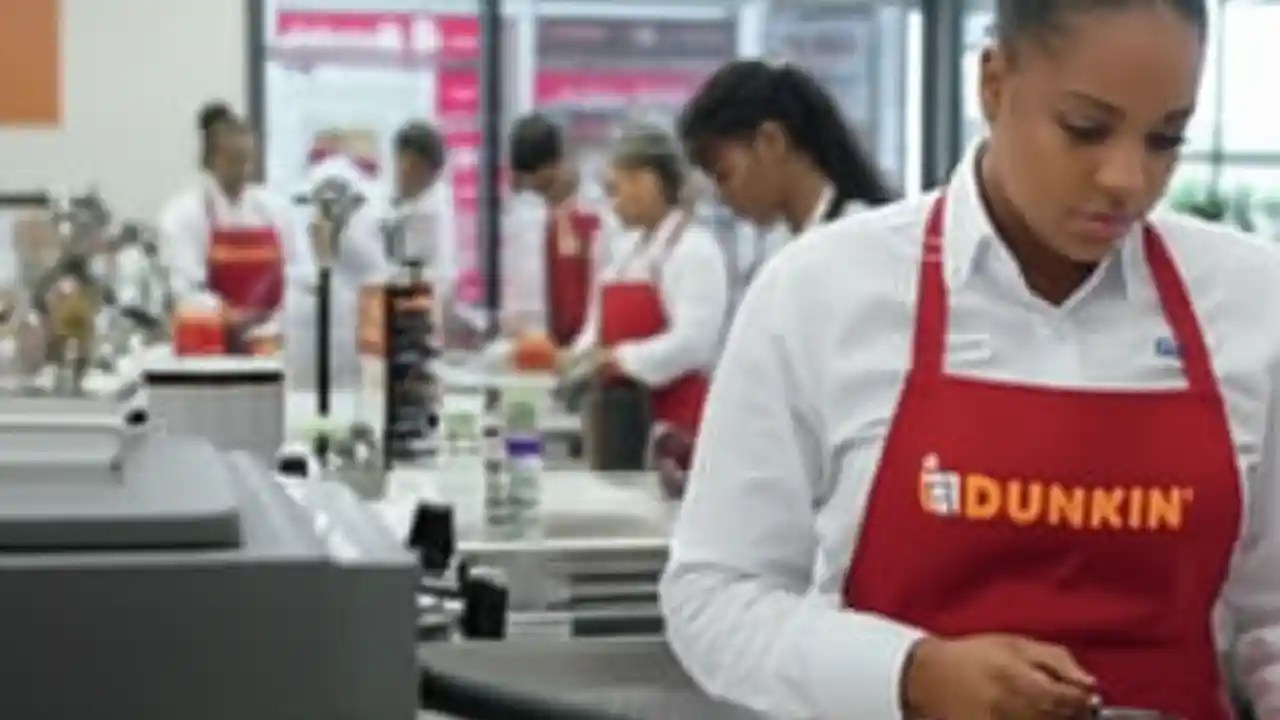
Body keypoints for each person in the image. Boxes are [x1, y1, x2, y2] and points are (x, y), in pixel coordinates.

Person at [662, 2, 1280, 719]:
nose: (1127, 179)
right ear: (993, 81)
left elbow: (1273, 615)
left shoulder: (1250, 301)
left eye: (1165, 139)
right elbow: (714, 594)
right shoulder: (823, 291)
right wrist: (910, 673)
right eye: (1085, 129)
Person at [564, 124, 727, 489]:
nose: (613, 203)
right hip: (618, 425)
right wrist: (575, 359)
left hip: (679, 431)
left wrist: (619, 359)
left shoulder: (695, 250)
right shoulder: (625, 252)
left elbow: (693, 344)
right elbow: (595, 329)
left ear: (648, 183)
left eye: (616, 189)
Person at [679, 59, 895, 236]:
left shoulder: (857, 235)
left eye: (724, 175)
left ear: (771, 141)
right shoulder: (786, 240)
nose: (722, 197)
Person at [160, 102, 308, 352]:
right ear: (211, 160)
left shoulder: (275, 210)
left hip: (267, 342)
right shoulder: (183, 215)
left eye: (248, 160)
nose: (244, 170)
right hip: (208, 343)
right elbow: (186, 290)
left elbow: (297, 276)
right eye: (234, 160)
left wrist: (275, 322)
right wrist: (229, 316)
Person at [507, 113, 613, 346]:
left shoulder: (600, 210)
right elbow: (518, 299)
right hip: (541, 345)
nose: (544, 194)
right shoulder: (524, 217)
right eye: (533, 187)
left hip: (592, 342)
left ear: (562, 161)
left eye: (548, 183)